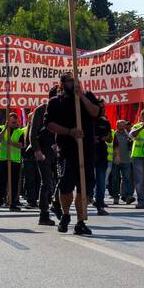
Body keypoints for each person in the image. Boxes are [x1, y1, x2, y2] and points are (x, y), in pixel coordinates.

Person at [44, 72, 101, 236]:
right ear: (62, 84)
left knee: (85, 187)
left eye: (76, 80)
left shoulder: (88, 96)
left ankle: (80, 221)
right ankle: (66, 214)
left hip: (87, 150)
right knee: (66, 185)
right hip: (67, 150)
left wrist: (81, 96)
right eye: (70, 81)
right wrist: (70, 132)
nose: (74, 83)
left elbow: (95, 112)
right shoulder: (55, 102)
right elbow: (49, 124)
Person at [27, 86, 58, 226]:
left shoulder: (63, 111)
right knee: (46, 182)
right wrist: (37, 150)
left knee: (58, 182)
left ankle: (56, 205)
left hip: (55, 151)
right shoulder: (41, 110)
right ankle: (43, 214)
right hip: (43, 150)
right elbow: (32, 133)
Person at [0, 110, 25, 210]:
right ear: (8, 122)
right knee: (1, 182)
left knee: (14, 184)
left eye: (15, 122)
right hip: (3, 160)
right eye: (12, 122)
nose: (14, 124)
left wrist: (10, 142)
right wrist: (5, 129)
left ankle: (13, 203)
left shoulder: (20, 131)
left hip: (15, 161)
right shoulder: (1, 128)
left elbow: (21, 145)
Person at [109, 118, 134, 204]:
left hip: (126, 160)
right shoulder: (114, 135)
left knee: (127, 179)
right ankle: (116, 197)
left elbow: (132, 146)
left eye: (124, 125)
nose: (123, 127)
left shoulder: (128, 135)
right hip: (115, 161)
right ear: (117, 126)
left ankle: (128, 196)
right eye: (121, 125)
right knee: (115, 179)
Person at [94, 111, 112, 216]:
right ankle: (85, 200)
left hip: (101, 154)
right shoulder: (87, 121)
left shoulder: (106, 123)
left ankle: (100, 205)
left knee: (101, 181)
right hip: (89, 153)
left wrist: (107, 137)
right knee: (88, 180)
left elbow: (109, 139)